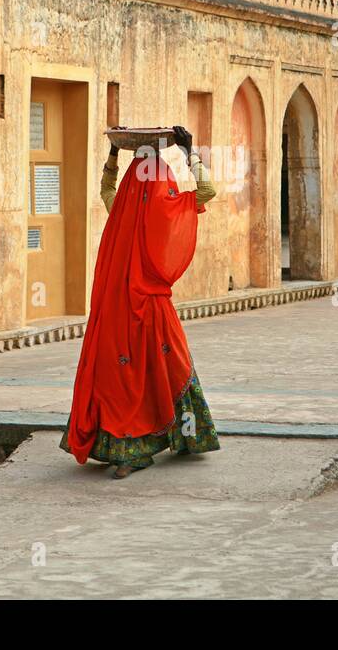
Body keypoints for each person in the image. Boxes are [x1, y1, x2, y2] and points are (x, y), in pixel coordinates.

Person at [59, 125, 221, 478]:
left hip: (116, 306)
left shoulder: (121, 208)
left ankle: (124, 449)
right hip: (151, 306)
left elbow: (106, 189)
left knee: (119, 372)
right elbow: (207, 190)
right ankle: (183, 438)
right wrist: (189, 151)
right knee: (168, 367)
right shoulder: (165, 208)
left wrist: (115, 154)